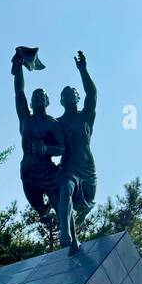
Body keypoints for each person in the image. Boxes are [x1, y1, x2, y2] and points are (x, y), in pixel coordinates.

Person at [12, 49, 64, 226]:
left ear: (48, 102)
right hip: (27, 171)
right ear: (32, 102)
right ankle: (46, 214)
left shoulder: (52, 124)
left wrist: (46, 148)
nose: (38, 98)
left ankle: (68, 233)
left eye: (42, 97)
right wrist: (18, 68)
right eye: (35, 97)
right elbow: (19, 91)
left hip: (47, 172)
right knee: (39, 208)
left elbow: (62, 148)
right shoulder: (25, 119)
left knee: (61, 210)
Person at [56, 51, 97, 255]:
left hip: (87, 166)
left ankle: (74, 218)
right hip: (68, 166)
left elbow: (93, 94)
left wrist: (83, 70)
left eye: (72, 93)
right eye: (65, 95)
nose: (69, 95)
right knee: (66, 190)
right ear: (61, 101)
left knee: (88, 202)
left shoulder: (86, 116)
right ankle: (66, 231)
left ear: (77, 97)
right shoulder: (58, 123)